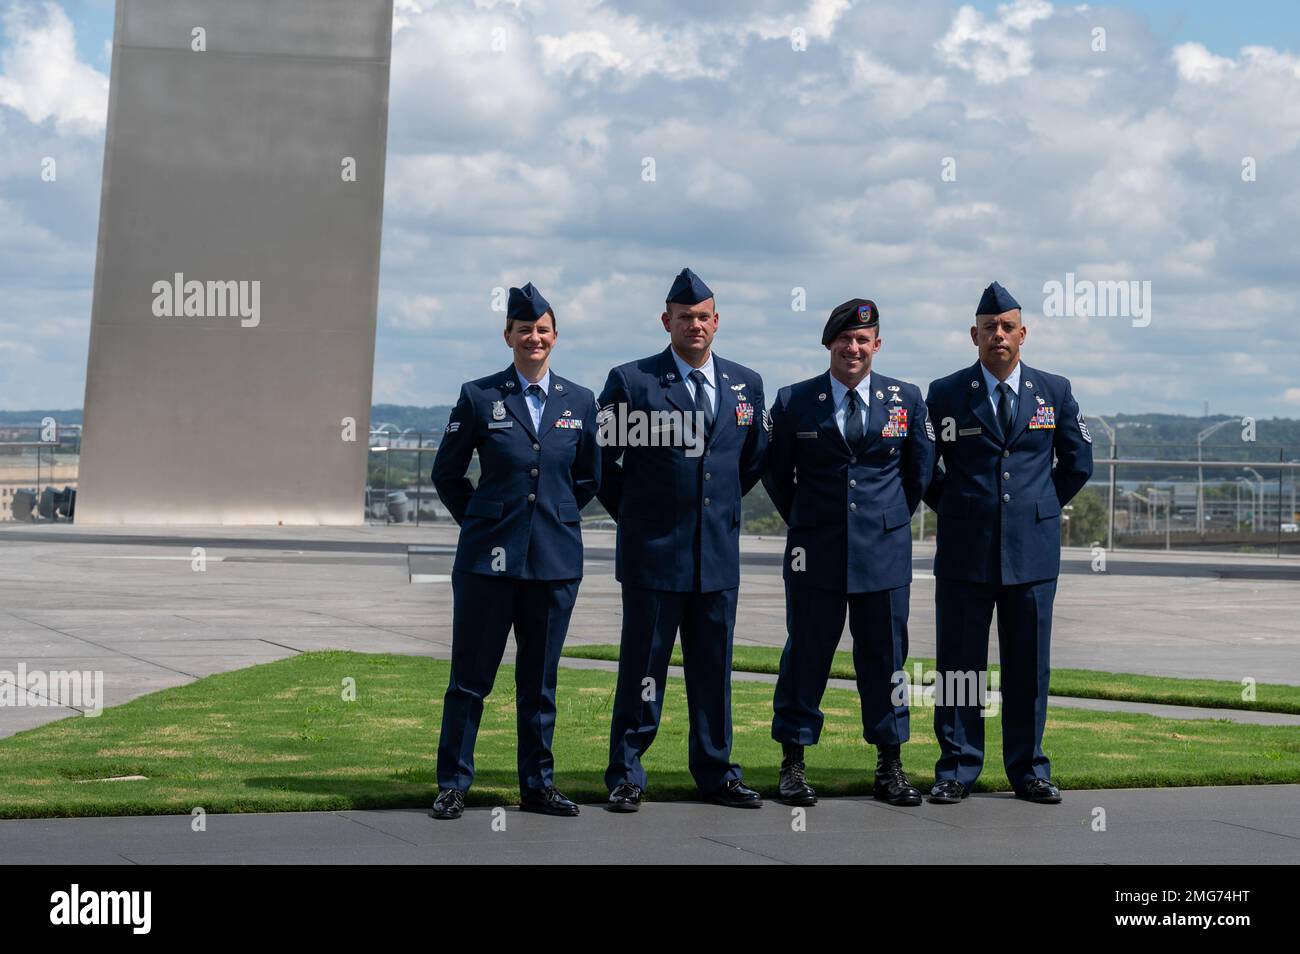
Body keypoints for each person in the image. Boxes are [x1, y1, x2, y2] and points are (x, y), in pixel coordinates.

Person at [428, 282, 600, 820]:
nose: (534, 338)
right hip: (487, 563)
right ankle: (454, 783)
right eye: (524, 330)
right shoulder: (480, 396)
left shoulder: (580, 401)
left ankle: (538, 785)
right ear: (508, 336)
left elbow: (588, 477)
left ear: (555, 337)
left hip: (553, 563)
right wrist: (485, 521)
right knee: (470, 680)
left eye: (543, 330)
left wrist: (548, 518)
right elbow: (447, 473)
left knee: (540, 683)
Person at [599, 267, 768, 811]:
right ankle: (626, 772)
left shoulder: (746, 383)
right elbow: (600, 465)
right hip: (655, 555)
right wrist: (641, 515)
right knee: (643, 669)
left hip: (716, 555)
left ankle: (716, 771)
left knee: (714, 670)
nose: (694, 325)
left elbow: (750, 461)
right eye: (684, 317)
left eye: (703, 317)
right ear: (666, 321)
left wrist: (708, 512)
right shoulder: (633, 381)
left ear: (716, 322)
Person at [923, 281, 1093, 805]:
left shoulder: (1054, 390)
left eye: (1007, 327)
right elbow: (924, 469)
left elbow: (1078, 462)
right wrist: (961, 508)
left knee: (1028, 667)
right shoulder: (945, 393)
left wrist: (1036, 507)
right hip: (965, 552)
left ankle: (1029, 769)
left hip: (1033, 552)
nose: (998, 335)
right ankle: (956, 767)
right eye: (989, 328)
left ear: (1024, 333)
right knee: (959, 668)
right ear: (973, 335)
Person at [763, 299, 933, 807]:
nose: (853, 348)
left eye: (863, 340)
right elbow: (775, 473)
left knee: (886, 660)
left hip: (883, 553)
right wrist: (811, 519)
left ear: (876, 345)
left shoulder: (907, 399)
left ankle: (890, 765)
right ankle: (792, 763)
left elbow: (917, 474)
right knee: (806, 657)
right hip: (815, 553)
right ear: (830, 345)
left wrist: (882, 520)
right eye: (845, 340)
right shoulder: (795, 401)